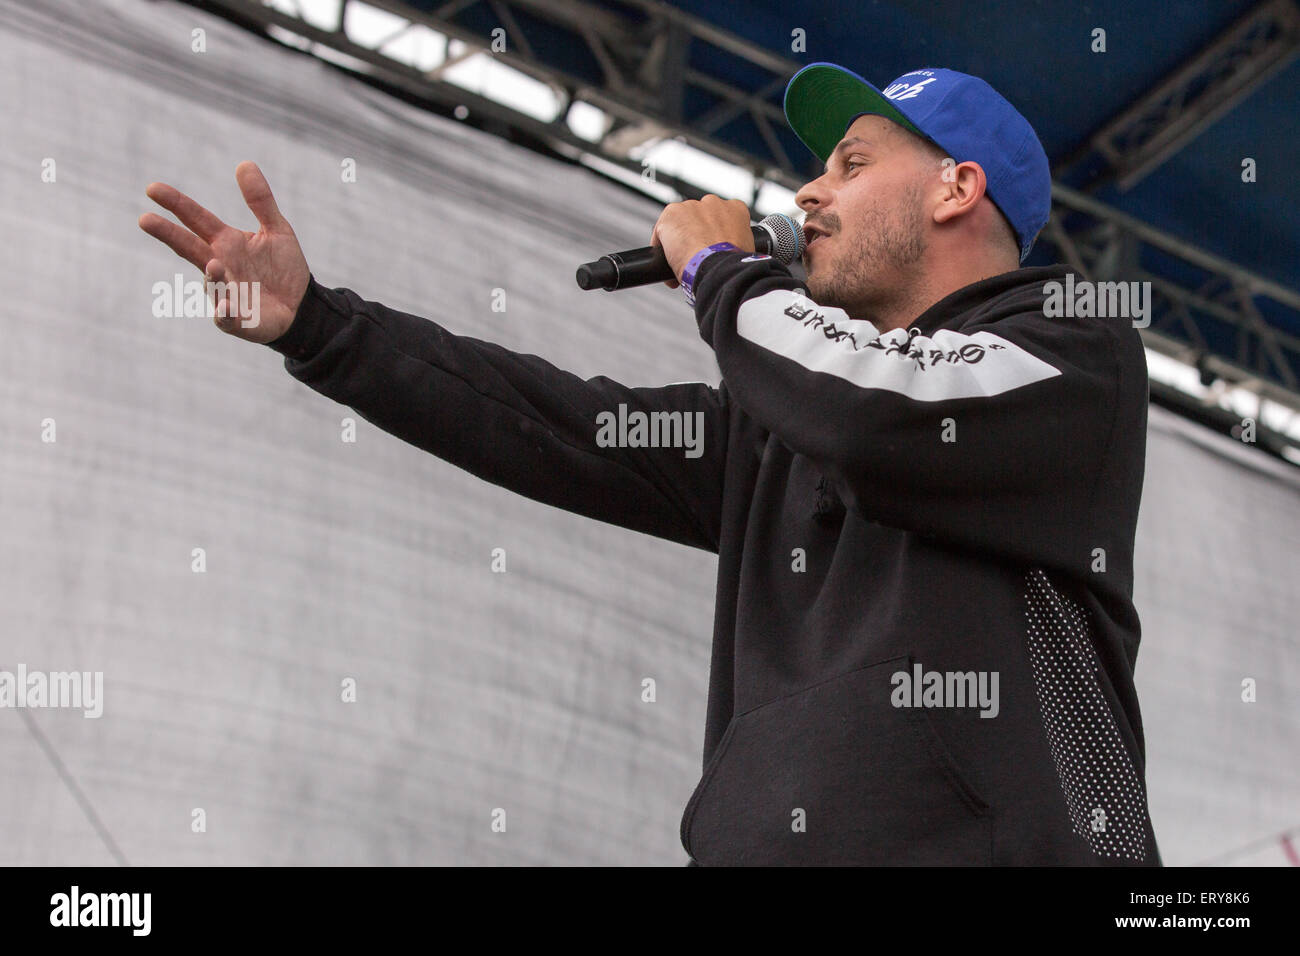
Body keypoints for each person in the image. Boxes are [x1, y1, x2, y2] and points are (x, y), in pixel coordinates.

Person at [138, 64, 1161, 866]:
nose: (807, 192)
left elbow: (885, 409)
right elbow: (551, 424)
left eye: (850, 165)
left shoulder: (1071, 347)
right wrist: (321, 327)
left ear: (955, 186)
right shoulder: (781, 424)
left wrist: (723, 271)